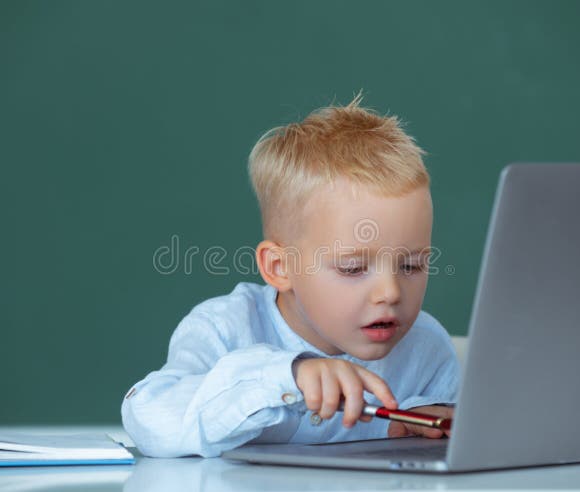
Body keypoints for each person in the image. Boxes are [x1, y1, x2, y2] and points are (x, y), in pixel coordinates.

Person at [121, 94, 459, 458]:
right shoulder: (224, 328)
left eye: (411, 266)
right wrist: (287, 375)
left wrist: (441, 426)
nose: (390, 292)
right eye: (352, 268)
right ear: (280, 268)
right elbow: (148, 419)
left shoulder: (427, 347)